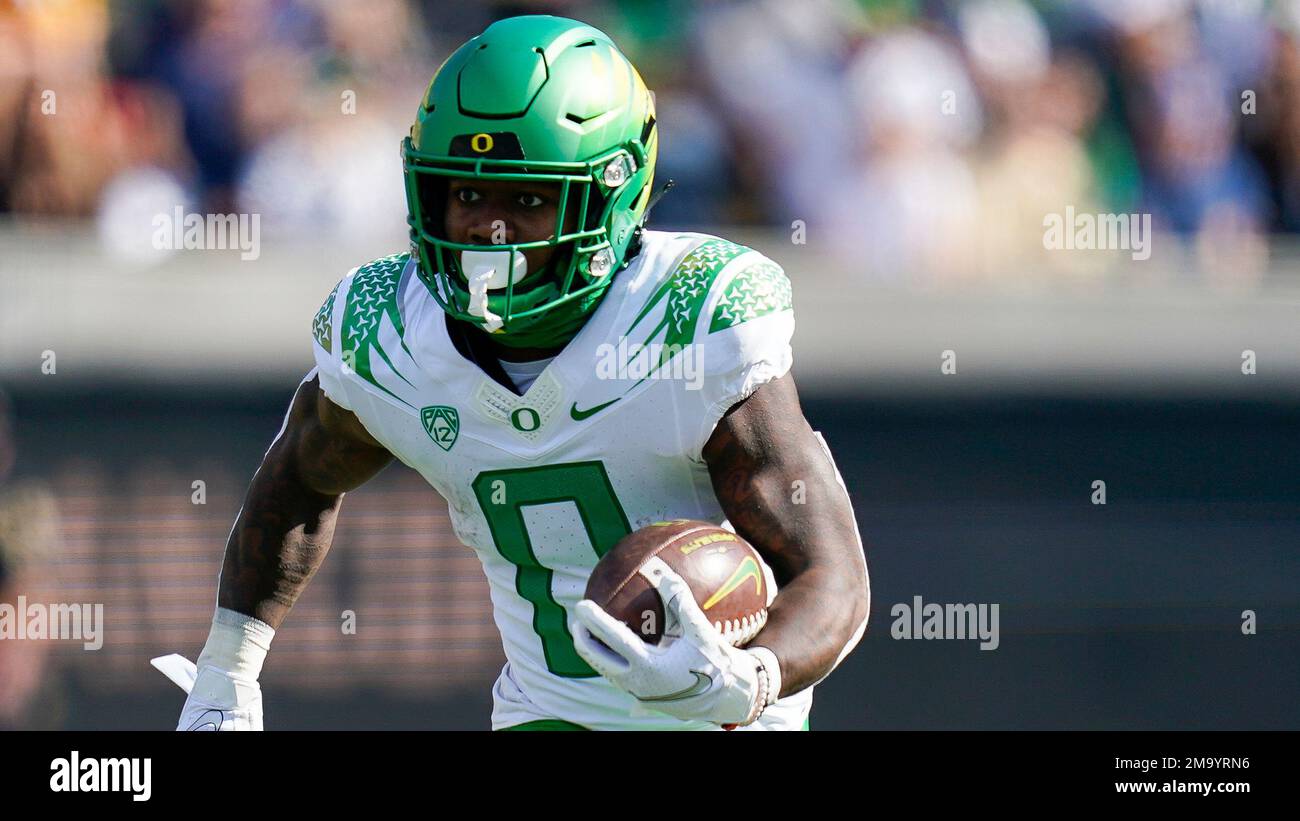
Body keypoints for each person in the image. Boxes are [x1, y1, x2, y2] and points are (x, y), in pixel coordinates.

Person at [173, 15, 868, 731]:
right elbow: (296, 481)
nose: (487, 228)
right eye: (467, 194)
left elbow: (833, 575)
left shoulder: (688, 318)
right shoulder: (389, 334)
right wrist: (227, 672)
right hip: (549, 715)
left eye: (529, 200)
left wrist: (750, 677)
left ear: (612, 196)